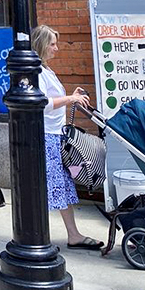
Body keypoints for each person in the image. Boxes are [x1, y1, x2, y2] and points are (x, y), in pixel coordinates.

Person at [31, 24, 104, 251]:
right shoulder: (37, 73)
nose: (56, 48)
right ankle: (37, 236)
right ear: (42, 45)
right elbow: (42, 104)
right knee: (50, 188)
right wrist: (71, 99)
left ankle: (73, 234)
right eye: (52, 44)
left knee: (61, 186)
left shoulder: (46, 70)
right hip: (47, 136)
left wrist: (72, 96)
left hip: (55, 135)